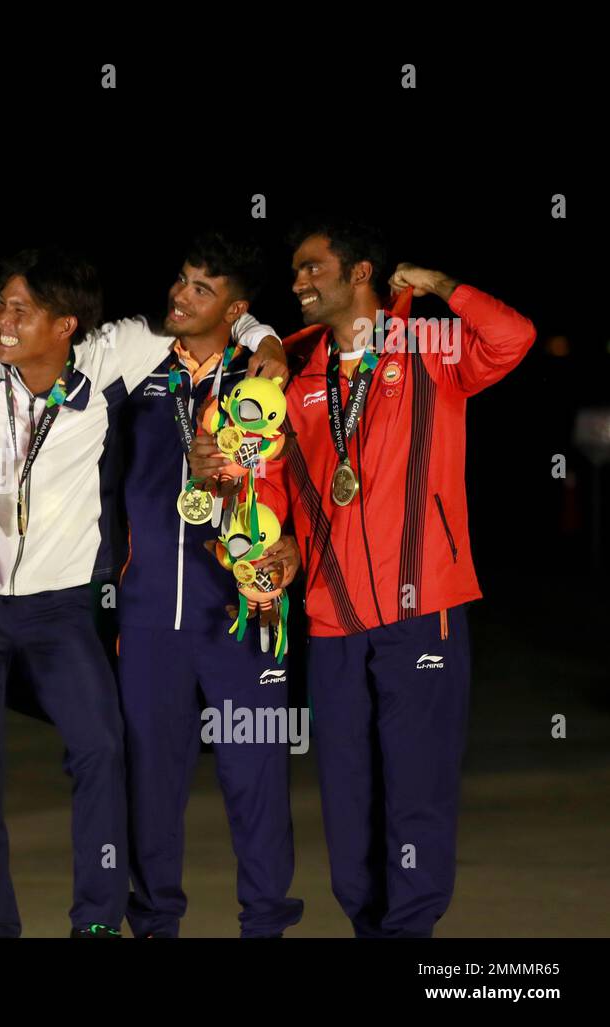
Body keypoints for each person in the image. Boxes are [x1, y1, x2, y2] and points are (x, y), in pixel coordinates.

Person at [0, 247, 287, 937]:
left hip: (59, 609)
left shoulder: (111, 353)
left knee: (102, 747)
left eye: (23, 309)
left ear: (65, 326)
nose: (2, 319)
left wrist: (264, 339)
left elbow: (215, 315)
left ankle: (96, 921)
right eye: (2, 302)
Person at [192, 219, 536, 937]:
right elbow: (276, 473)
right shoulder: (295, 363)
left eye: (312, 267)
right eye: (295, 271)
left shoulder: (428, 347)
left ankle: (409, 930)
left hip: (424, 606)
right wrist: (278, 537)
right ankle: (368, 923)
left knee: (417, 788)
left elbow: (512, 338)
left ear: (362, 273)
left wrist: (443, 287)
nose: (298, 282)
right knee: (347, 796)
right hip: (333, 613)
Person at [115, 232, 304, 938]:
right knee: (151, 785)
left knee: (255, 781)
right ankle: (154, 922)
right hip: (147, 615)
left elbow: (298, 484)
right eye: (181, 280)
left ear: (236, 308)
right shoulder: (137, 366)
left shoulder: (264, 381)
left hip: (241, 610)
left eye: (202, 288)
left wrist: (293, 548)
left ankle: (265, 924)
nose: (181, 295)